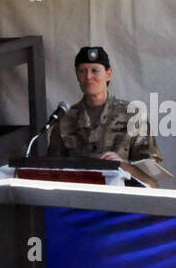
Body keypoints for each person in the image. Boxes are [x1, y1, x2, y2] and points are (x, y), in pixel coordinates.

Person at [48, 45, 162, 185]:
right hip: (80, 197)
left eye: (95, 71)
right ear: (77, 75)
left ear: (108, 74)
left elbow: (152, 178)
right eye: (82, 71)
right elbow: (52, 171)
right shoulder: (65, 119)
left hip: (123, 198)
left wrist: (122, 165)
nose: (88, 77)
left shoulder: (132, 115)